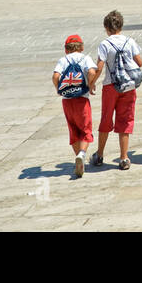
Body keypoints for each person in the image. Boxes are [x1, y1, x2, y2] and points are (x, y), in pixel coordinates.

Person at [91, 10, 142, 171]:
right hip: (128, 85)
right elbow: (139, 62)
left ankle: (99, 154)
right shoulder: (130, 41)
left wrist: (91, 82)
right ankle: (124, 157)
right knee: (126, 119)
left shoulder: (105, 44)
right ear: (121, 25)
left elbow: (99, 66)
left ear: (106, 27)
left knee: (106, 119)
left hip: (110, 85)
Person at [52, 34, 99, 178]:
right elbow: (92, 71)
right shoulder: (85, 58)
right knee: (85, 129)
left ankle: (79, 158)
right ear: (82, 47)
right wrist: (90, 85)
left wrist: (59, 89)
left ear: (66, 49)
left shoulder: (63, 60)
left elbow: (55, 76)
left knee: (73, 130)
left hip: (67, 101)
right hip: (81, 99)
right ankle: (82, 155)